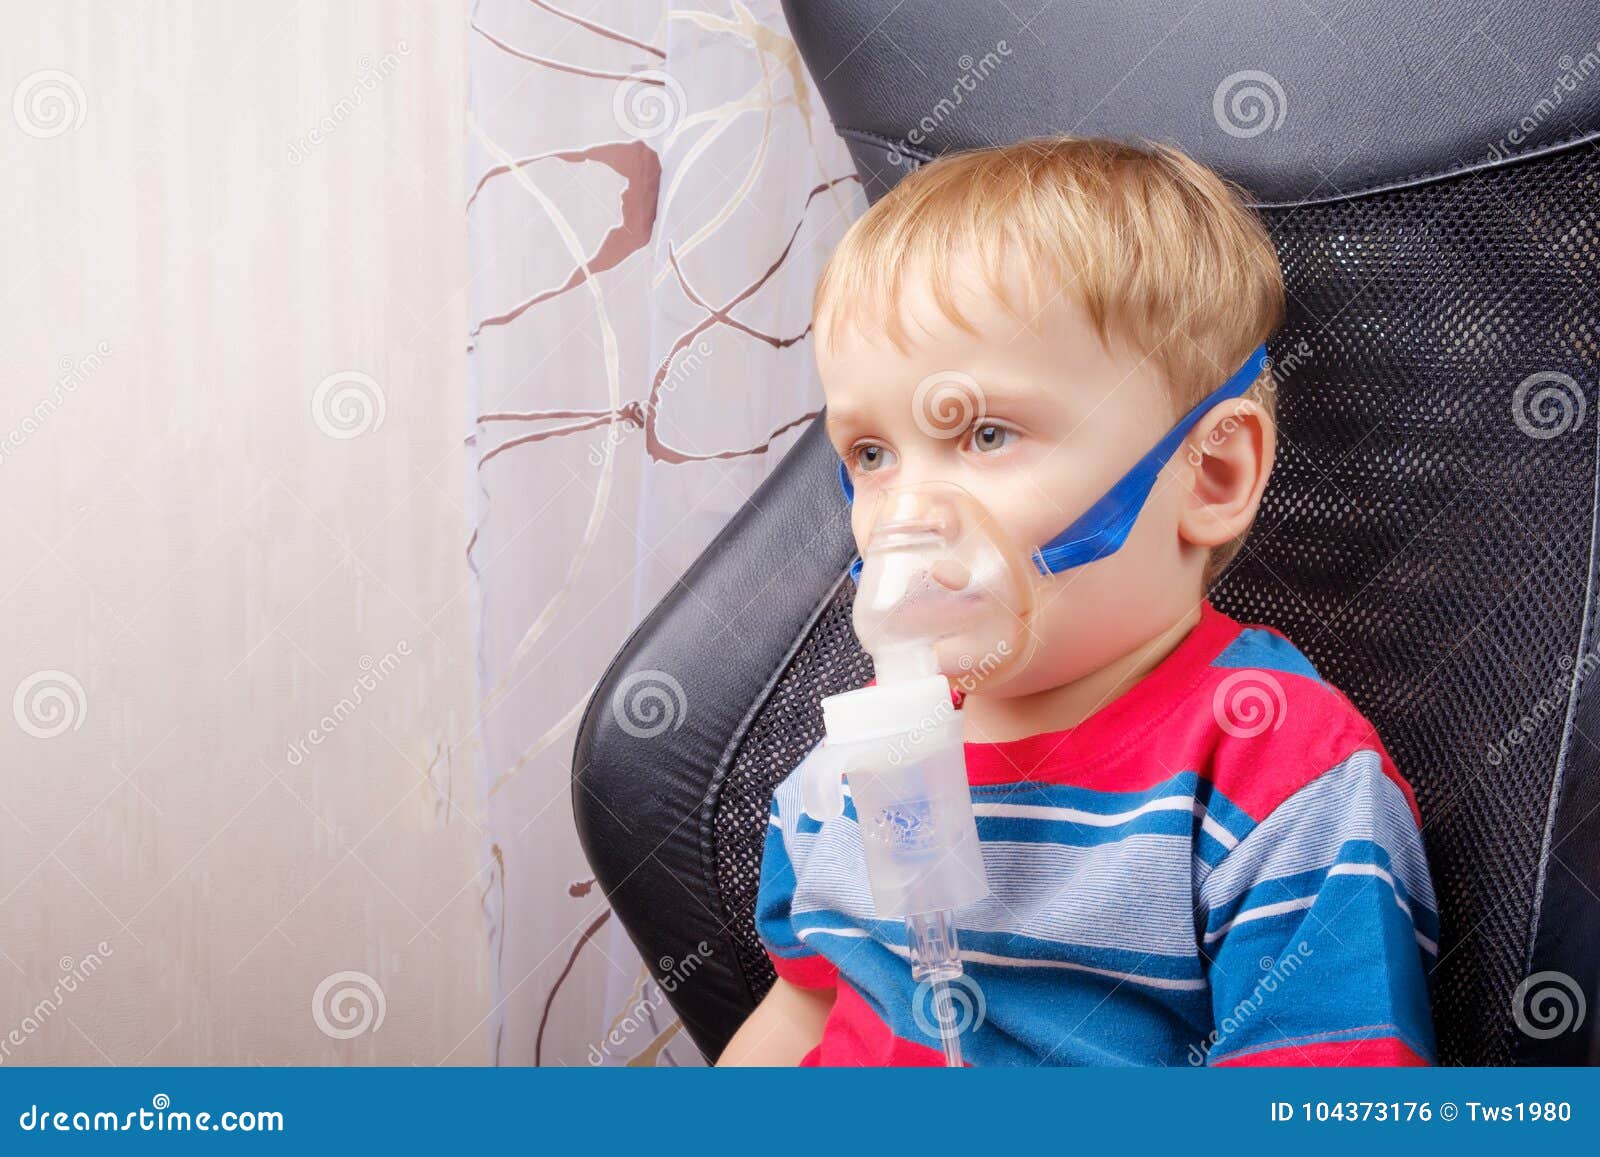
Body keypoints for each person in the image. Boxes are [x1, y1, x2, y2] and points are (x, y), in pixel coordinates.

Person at [718, 136, 1438, 1067]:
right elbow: (803, 1009)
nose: (904, 511)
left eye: (985, 431)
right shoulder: (857, 765)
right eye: (871, 454)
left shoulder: (1272, 777)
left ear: (1210, 471)